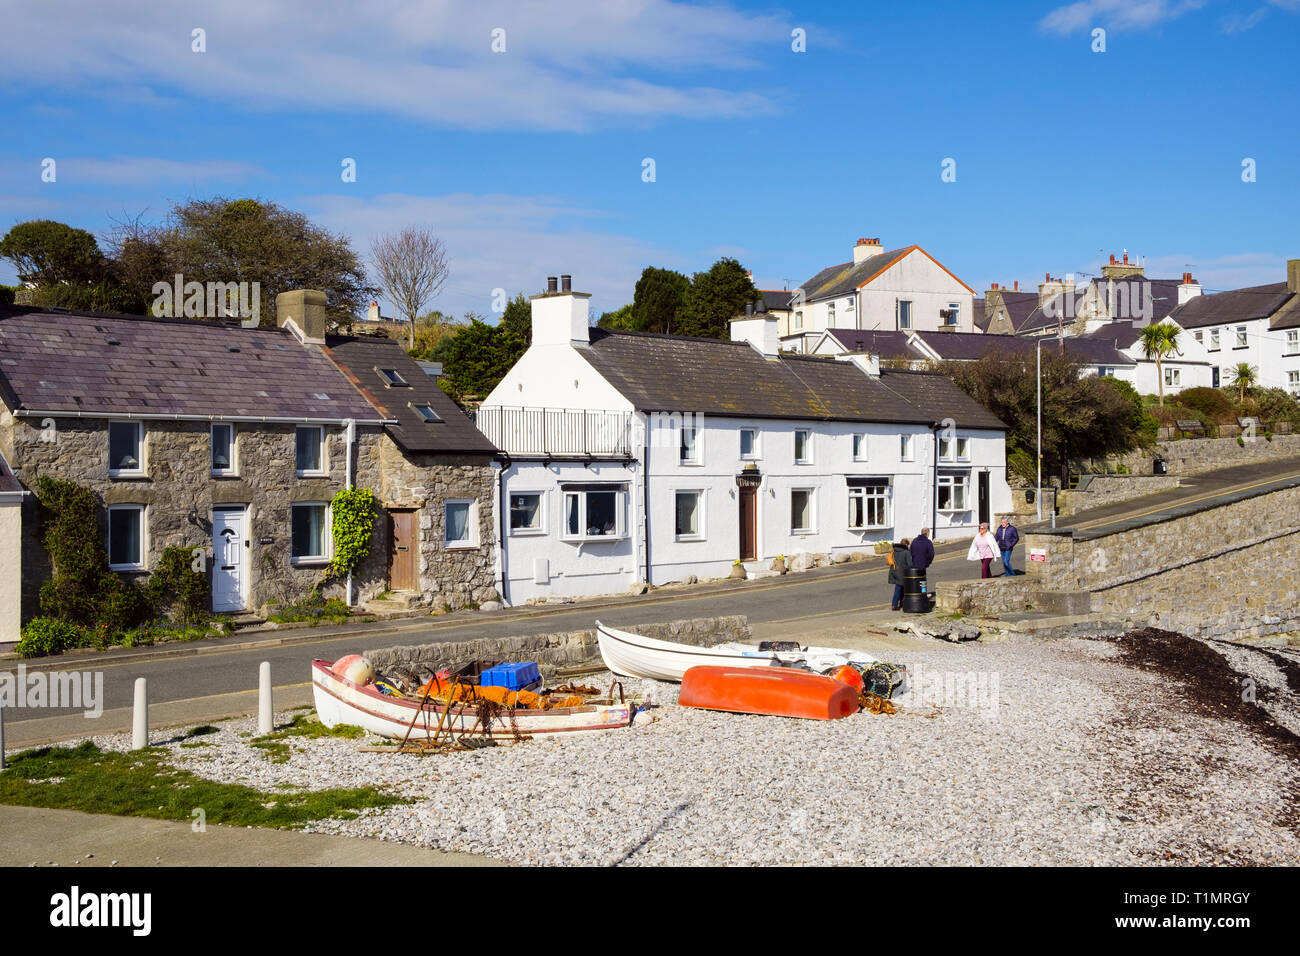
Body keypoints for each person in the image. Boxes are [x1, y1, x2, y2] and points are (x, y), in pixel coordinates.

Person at [888, 537, 913, 611]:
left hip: (894, 571)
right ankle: (895, 605)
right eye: (908, 545)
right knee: (899, 589)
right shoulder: (906, 552)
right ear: (906, 544)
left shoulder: (894, 551)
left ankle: (899, 604)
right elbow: (910, 564)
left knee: (900, 588)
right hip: (902, 573)